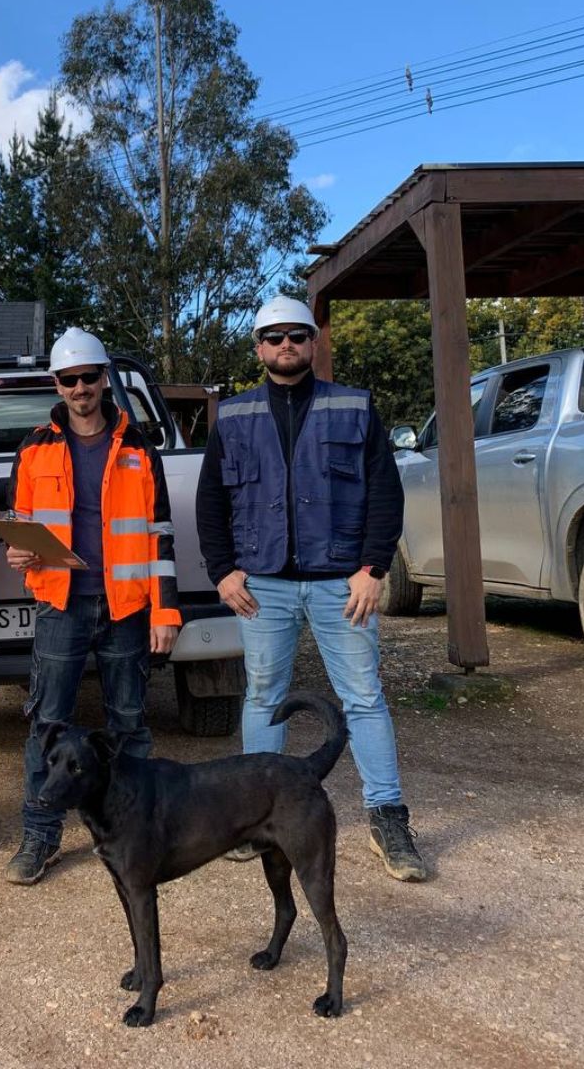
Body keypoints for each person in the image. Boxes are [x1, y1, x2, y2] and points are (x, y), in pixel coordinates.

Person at [195, 296, 427, 882]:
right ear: (258, 348)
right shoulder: (235, 416)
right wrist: (222, 570)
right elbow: (211, 502)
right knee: (263, 695)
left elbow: (384, 492)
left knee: (364, 696)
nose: (285, 346)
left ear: (312, 342)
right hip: (263, 585)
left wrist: (374, 567)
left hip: (340, 582)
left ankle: (387, 817)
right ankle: (253, 817)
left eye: (296, 335)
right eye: (273, 338)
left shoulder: (353, 406)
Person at [4, 327, 182, 886]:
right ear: (55, 384)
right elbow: (21, 524)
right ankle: (39, 837)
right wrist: (18, 552)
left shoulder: (138, 447)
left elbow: (161, 535)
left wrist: (166, 611)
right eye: (68, 379)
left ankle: (140, 828)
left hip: (126, 606)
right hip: (62, 605)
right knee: (48, 725)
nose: (79, 388)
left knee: (129, 724)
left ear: (106, 379)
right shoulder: (32, 449)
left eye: (88, 377)